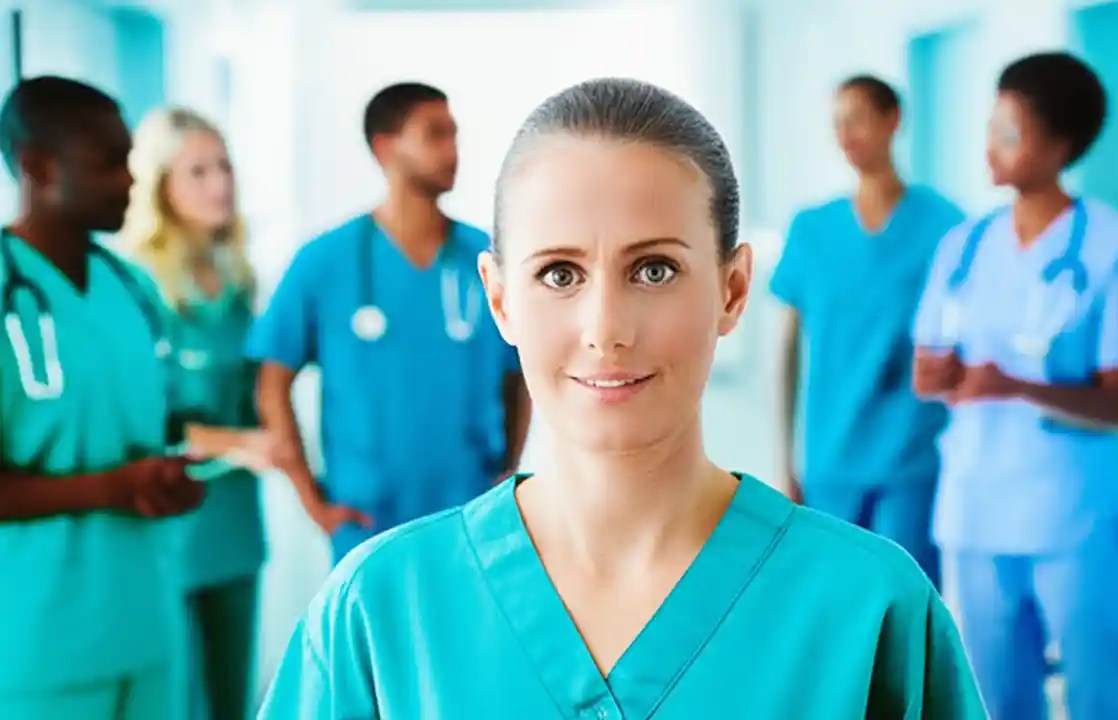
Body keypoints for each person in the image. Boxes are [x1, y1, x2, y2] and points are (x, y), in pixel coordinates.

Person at [256, 77, 986, 720]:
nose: (605, 329)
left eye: (656, 270)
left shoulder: (872, 610)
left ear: (732, 290)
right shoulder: (378, 613)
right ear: (500, 299)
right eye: (559, 275)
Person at [912, 52, 1118, 720]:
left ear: (1060, 145)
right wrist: (937, 377)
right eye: (990, 129)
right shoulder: (963, 247)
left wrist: (1018, 386)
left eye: (1010, 133)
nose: (991, 149)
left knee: (1100, 693)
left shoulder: (1117, 248)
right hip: (974, 511)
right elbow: (927, 369)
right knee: (997, 696)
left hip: (1071, 513)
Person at [246, 82, 531, 562]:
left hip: (471, 514)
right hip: (365, 523)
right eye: (434, 135)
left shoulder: (484, 258)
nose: (452, 151)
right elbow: (272, 379)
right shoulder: (325, 261)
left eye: (454, 135)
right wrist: (310, 497)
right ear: (385, 148)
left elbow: (517, 370)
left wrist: (509, 468)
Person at [0, 77, 209, 718]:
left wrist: (169, 479)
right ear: (36, 164)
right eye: (107, 163)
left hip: (146, 625)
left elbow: (164, 428)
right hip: (35, 643)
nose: (129, 183)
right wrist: (115, 487)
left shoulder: (135, 293)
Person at [772, 75, 963, 584]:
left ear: (892, 119)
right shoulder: (812, 230)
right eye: (837, 123)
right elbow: (788, 350)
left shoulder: (944, 225)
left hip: (913, 457)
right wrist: (784, 457)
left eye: (857, 117)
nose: (845, 133)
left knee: (908, 609)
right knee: (836, 610)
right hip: (830, 457)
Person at [119, 106, 274, 720]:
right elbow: (137, 414)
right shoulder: (134, 282)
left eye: (225, 166)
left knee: (235, 697)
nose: (220, 184)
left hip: (235, 523)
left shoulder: (239, 278)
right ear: (160, 186)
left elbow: (257, 387)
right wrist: (238, 444)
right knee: (178, 701)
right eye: (198, 171)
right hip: (170, 525)